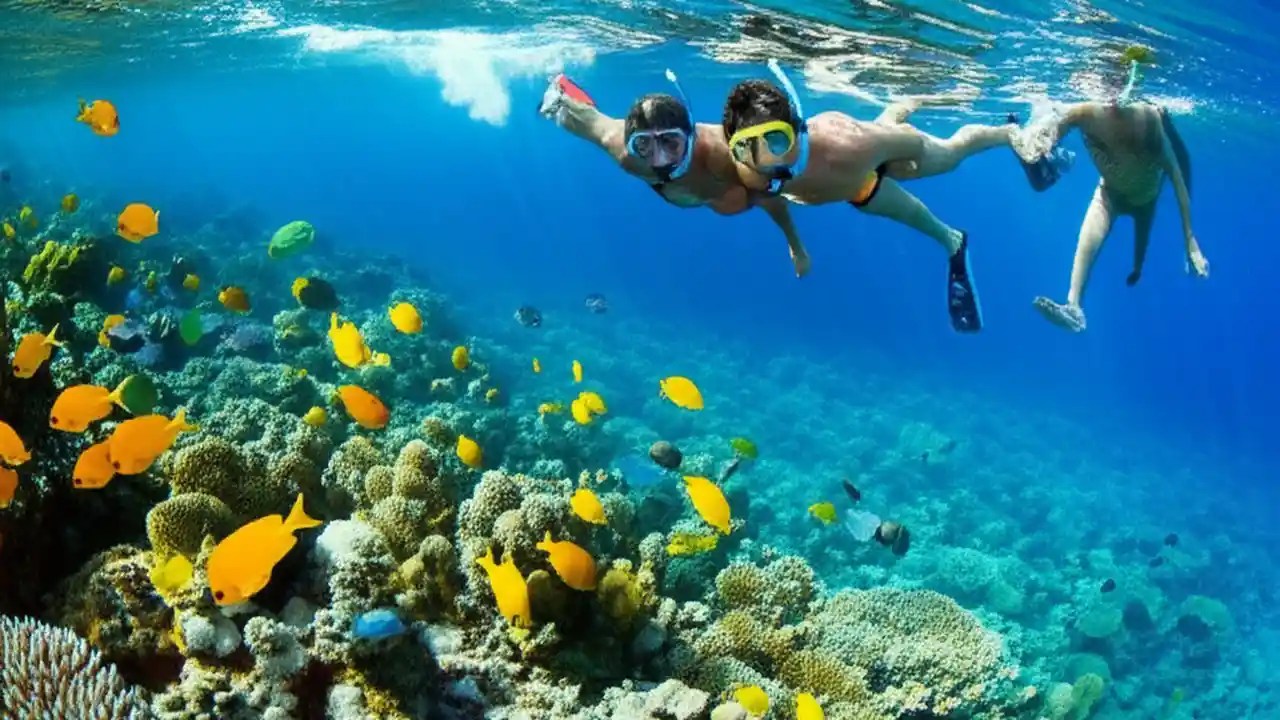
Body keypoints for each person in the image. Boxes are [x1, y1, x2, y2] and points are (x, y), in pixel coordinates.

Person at [720, 60, 1053, 333]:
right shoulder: (746, 169)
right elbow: (768, 196)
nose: (767, 162)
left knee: (951, 154)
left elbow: (909, 142)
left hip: (878, 156)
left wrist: (908, 160)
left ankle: (1007, 132)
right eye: (747, 148)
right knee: (924, 213)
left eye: (777, 141)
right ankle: (909, 105)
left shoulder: (847, 144)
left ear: (797, 129)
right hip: (859, 187)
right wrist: (796, 246)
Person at [538, 71, 813, 277]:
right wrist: (558, 100)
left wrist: (796, 246)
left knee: (741, 200)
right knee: (586, 122)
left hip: (724, 194)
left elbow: (772, 198)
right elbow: (591, 123)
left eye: (671, 142)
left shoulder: (721, 157)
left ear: (691, 137)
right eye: (643, 145)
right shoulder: (627, 155)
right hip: (686, 193)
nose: (659, 159)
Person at [1016, 67, 1207, 332]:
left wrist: (1190, 242)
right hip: (1110, 192)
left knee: (1140, 247)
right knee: (1087, 241)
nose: (1109, 98)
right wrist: (1039, 143)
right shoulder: (1084, 113)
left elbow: (1176, 173)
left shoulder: (1149, 119)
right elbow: (1053, 126)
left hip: (1146, 199)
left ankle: (1136, 269)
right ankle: (1073, 306)